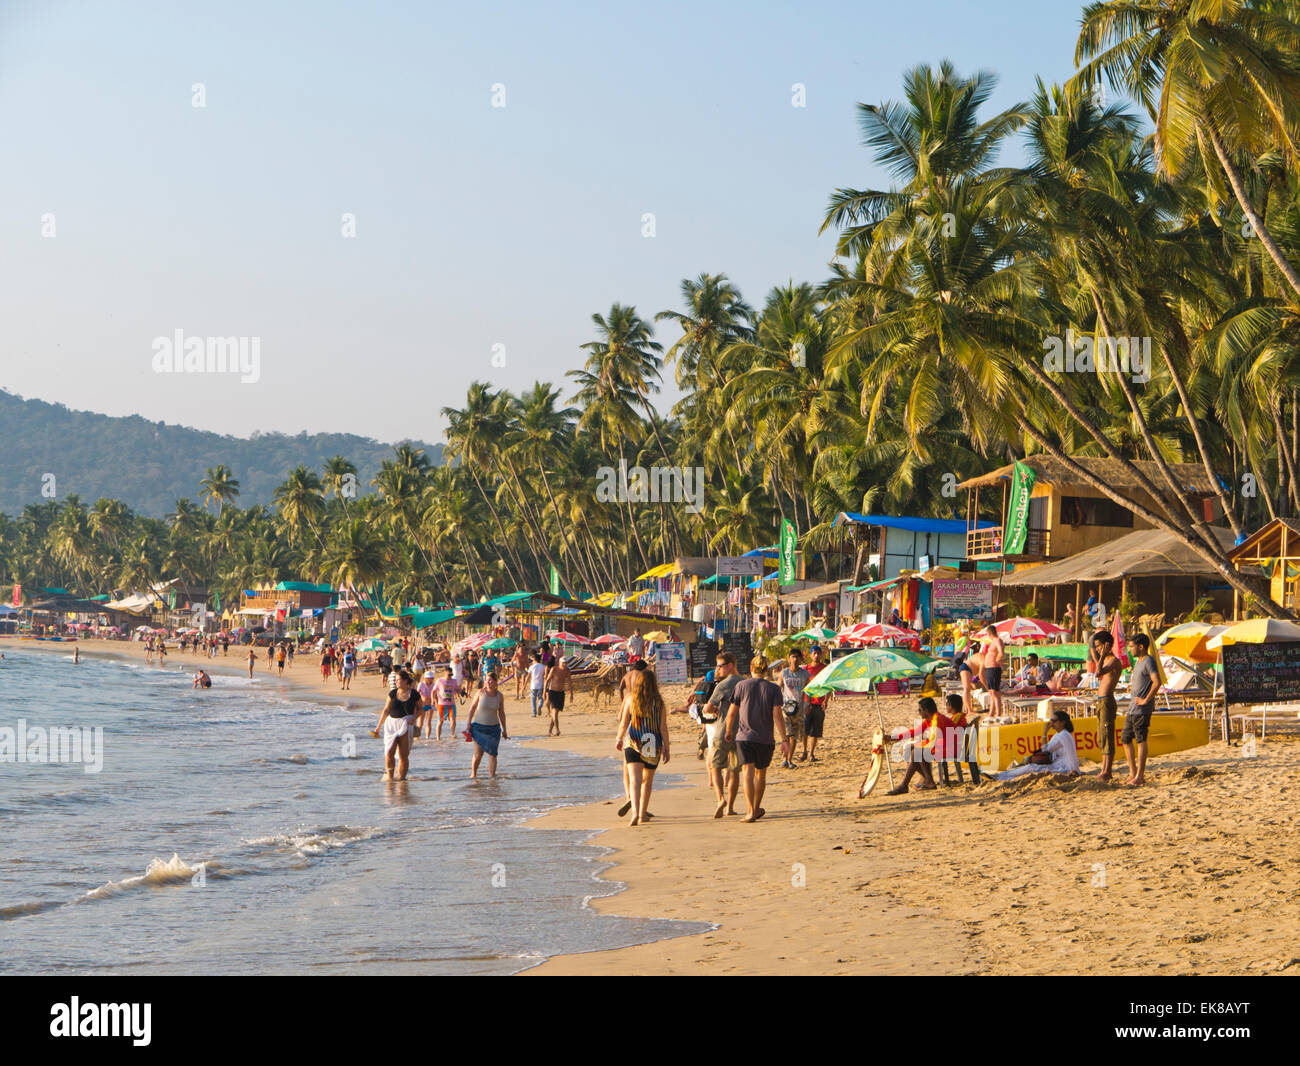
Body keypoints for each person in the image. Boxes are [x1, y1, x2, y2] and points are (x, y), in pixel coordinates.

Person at [723, 655, 786, 823]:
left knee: (747, 773)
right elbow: (777, 716)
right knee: (760, 774)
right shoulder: (773, 689)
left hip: (744, 737)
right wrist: (784, 739)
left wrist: (728, 730)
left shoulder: (741, 686)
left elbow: (731, 713)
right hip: (765, 738)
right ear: (767, 670)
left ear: (751, 668)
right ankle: (756, 807)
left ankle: (750, 811)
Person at [615, 667, 669, 826]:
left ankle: (634, 813)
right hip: (651, 742)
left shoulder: (631, 699)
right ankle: (642, 815)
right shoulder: (659, 703)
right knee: (647, 781)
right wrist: (667, 747)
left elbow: (624, 723)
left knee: (634, 780)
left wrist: (619, 739)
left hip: (633, 741)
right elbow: (663, 727)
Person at [886, 696, 954, 794]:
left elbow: (932, 741)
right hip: (942, 746)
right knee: (913, 749)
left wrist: (918, 745)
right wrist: (894, 738)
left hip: (948, 748)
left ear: (926, 710)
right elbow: (915, 732)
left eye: (920, 710)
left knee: (916, 752)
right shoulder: (929, 720)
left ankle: (906, 784)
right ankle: (926, 780)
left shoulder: (937, 720)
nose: (919, 712)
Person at [703, 652, 741, 817]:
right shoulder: (745, 682)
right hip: (741, 732)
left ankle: (720, 799)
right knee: (734, 770)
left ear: (730, 665)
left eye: (720, 665)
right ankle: (730, 807)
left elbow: (708, 708)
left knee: (715, 766)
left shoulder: (724, 685)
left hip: (724, 730)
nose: (717, 669)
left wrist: (714, 708)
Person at [991, 709, 1080, 780]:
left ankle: (1000, 776)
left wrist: (1045, 732)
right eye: (1051, 721)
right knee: (1030, 766)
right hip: (1063, 766)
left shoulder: (1062, 735)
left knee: (1031, 767)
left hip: (1065, 769)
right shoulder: (1062, 734)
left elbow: (1045, 749)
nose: (1051, 724)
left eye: (1054, 721)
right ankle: (1002, 776)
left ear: (1062, 722)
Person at [370, 668, 421, 781]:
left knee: (403, 755)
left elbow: (421, 709)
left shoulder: (414, 694)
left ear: (406, 681)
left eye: (399, 680)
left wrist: (414, 718)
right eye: (396, 680)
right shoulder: (393, 693)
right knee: (389, 752)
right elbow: (386, 710)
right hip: (391, 724)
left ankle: (402, 780)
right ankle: (390, 779)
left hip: (406, 723)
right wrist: (378, 727)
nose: (396, 682)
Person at [1123, 633, 1160, 787]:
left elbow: (1156, 682)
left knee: (1140, 739)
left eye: (1131, 646)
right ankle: (1133, 772)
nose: (1129, 649)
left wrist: (1146, 700)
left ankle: (1140, 775)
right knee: (1125, 738)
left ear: (1141, 647)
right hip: (1132, 708)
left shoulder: (1148, 661)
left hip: (1142, 710)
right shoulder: (1138, 662)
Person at [1090, 631, 1122, 781]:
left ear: (1106, 645)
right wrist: (1099, 652)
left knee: (1107, 735)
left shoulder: (1114, 661)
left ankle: (1107, 770)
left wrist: (1103, 654)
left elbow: (1098, 672)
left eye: (1099, 646)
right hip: (1101, 701)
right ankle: (1104, 768)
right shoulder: (1105, 659)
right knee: (1102, 736)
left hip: (1107, 701)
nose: (1097, 649)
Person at [467, 672, 508, 779]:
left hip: (494, 729)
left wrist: (504, 730)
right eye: (487, 680)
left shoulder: (499, 696)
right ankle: (473, 774)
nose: (488, 682)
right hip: (479, 728)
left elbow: (501, 713)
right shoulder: (480, 693)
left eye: (491, 680)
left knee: (493, 754)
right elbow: (472, 708)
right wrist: (468, 723)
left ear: (495, 682)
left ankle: (492, 777)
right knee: (478, 754)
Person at [778, 649, 810, 768]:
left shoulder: (805, 674)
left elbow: (808, 691)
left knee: (795, 736)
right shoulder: (784, 673)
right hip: (786, 708)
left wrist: (808, 704)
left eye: (797, 657)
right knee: (787, 734)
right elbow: (779, 688)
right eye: (792, 657)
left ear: (801, 658)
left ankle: (789, 759)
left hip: (799, 708)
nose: (795, 659)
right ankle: (784, 758)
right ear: (789, 658)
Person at [802, 645, 829, 762]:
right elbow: (802, 687)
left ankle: (811, 753)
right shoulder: (805, 670)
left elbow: (828, 686)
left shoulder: (825, 668)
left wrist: (826, 700)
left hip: (819, 703)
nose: (816, 655)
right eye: (814, 653)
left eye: (818, 653)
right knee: (805, 730)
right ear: (810, 655)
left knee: (815, 731)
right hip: (806, 703)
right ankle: (804, 751)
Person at [543, 654, 573, 737]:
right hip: (552, 692)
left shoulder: (567, 670)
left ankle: (549, 731)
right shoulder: (554, 669)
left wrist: (571, 694)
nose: (564, 664)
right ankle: (557, 730)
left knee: (555, 714)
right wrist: (544, 692)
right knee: (555, 713)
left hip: (561, 693)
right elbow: (547, 680)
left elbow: (570, 682)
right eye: (563, 663)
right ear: (559, 663)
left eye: (566, 663)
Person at [982, 628, 1005, 716]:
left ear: (989, 633)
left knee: (995, 691)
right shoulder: (993, 641)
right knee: (991, 692)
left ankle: (998, 713)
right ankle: (991, 713)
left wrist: (998, 660)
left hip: (994, 668)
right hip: (990, 668)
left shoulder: (997, 641)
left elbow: (1001, 652)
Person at [433, 666, 458, 739]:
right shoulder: (439, 680)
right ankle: (438, 738)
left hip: (451, 704)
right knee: (440, 722)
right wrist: (433, 700)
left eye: (451, 675)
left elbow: (457, 689)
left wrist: (462, 692)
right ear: (445, 673)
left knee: (453, 720)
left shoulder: (454, 681)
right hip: (442, 705)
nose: (450, 676)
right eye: (449, 675)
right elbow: (433, 691)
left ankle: (452, 734)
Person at [416, 668, 436, 741]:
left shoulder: (433, 685)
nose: (430, 680)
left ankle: (427, 737)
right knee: (420, 722)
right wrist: (422, 697)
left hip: (430, 704)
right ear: (425, 678)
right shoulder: (421, 684)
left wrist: (434, 701)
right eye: (428, 678)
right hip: (422, 705)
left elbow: (435, 694)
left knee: (428, 721)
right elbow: (417, 694)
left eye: (431, 678)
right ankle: (417, 737)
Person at [526, 652, 546, 717]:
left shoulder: (531, 667)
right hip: (541, 684)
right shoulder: (543, 666)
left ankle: (534, 713)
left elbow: (528, 677)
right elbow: (545, 675)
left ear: (535, 659)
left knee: (533, 700)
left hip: (533, 685)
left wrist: (524, 685)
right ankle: (540, 706)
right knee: (541, 698)